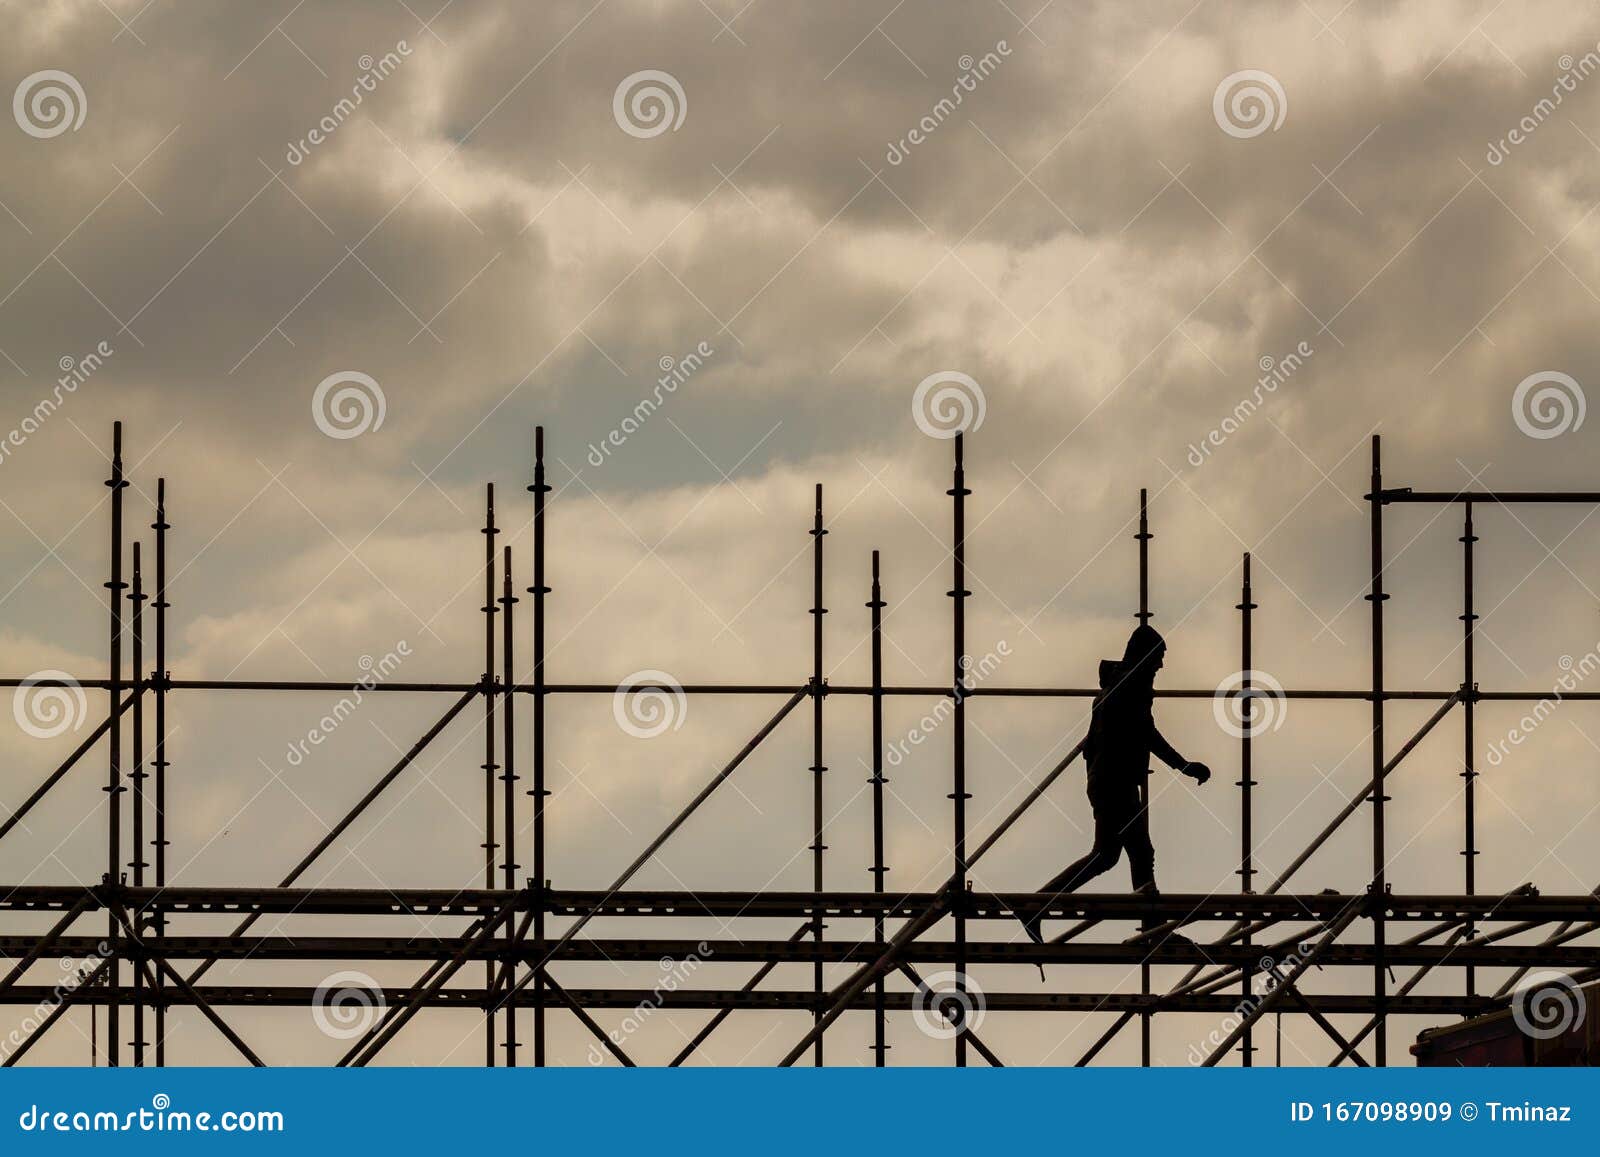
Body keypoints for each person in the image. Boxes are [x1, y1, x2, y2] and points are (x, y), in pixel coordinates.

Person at [1018, 624, 1210, 944]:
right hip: (1116, 782)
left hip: (1105, 780)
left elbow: (1102, 741)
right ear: (1145, 655)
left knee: (1105, 855)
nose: (1161, 665)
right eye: (1159, 657)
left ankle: (1037, 905)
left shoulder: (1114, 687)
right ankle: (1153, 928)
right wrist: (1184, 766)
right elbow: (1147, 733)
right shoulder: (1132, 686)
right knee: (1139, 851)